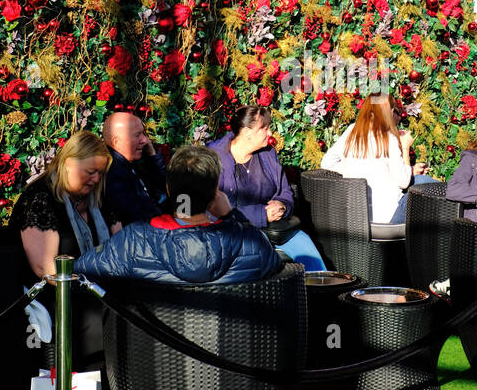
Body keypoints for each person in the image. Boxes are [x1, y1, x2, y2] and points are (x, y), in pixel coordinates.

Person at [75, 145, 282, 286]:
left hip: (149, 349)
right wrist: (231, 216)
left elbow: (79, 271)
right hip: (230, 349)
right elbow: (275, 263)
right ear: (215, 194)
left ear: (168, 189)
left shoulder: (132, 241)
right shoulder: (251, 242)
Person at [9, 130, 122, 362]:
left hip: (95, 286)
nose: (96, 179)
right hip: (56, 295)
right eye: (91, 172)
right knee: (100, 318)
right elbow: (47, 271)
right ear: (68, 164)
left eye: (100, 173)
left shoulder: (98, 197)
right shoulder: (40, 199)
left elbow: (120, 245)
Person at [209, 105, 326, 270]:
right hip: (231, 234)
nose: (270, 133)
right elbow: (211, 210)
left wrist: (282, 206)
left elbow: (285, 191)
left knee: (313, 261)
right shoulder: (214, 158)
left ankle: (321, 294)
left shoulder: (268, 154)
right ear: (248, 132)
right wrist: (261, 215)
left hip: (274, 232)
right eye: (264, 128)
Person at [320, 93, 437, 223]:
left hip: (358, 219)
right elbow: (403, 181)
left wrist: (355, 171)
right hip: (387, 217)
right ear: (389, 111)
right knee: (431, 187)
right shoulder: (388, 138)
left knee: (421, 180)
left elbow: (327, 162)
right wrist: (405, 147)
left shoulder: (352, 130)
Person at [102, 110, 167, 225]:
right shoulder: (115, 175)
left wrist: (152, 156)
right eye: (137, 135)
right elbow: (139, 219)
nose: (145, 140)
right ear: (116, 142)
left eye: (143, 134)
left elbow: (164, 188)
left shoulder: (131, 163)